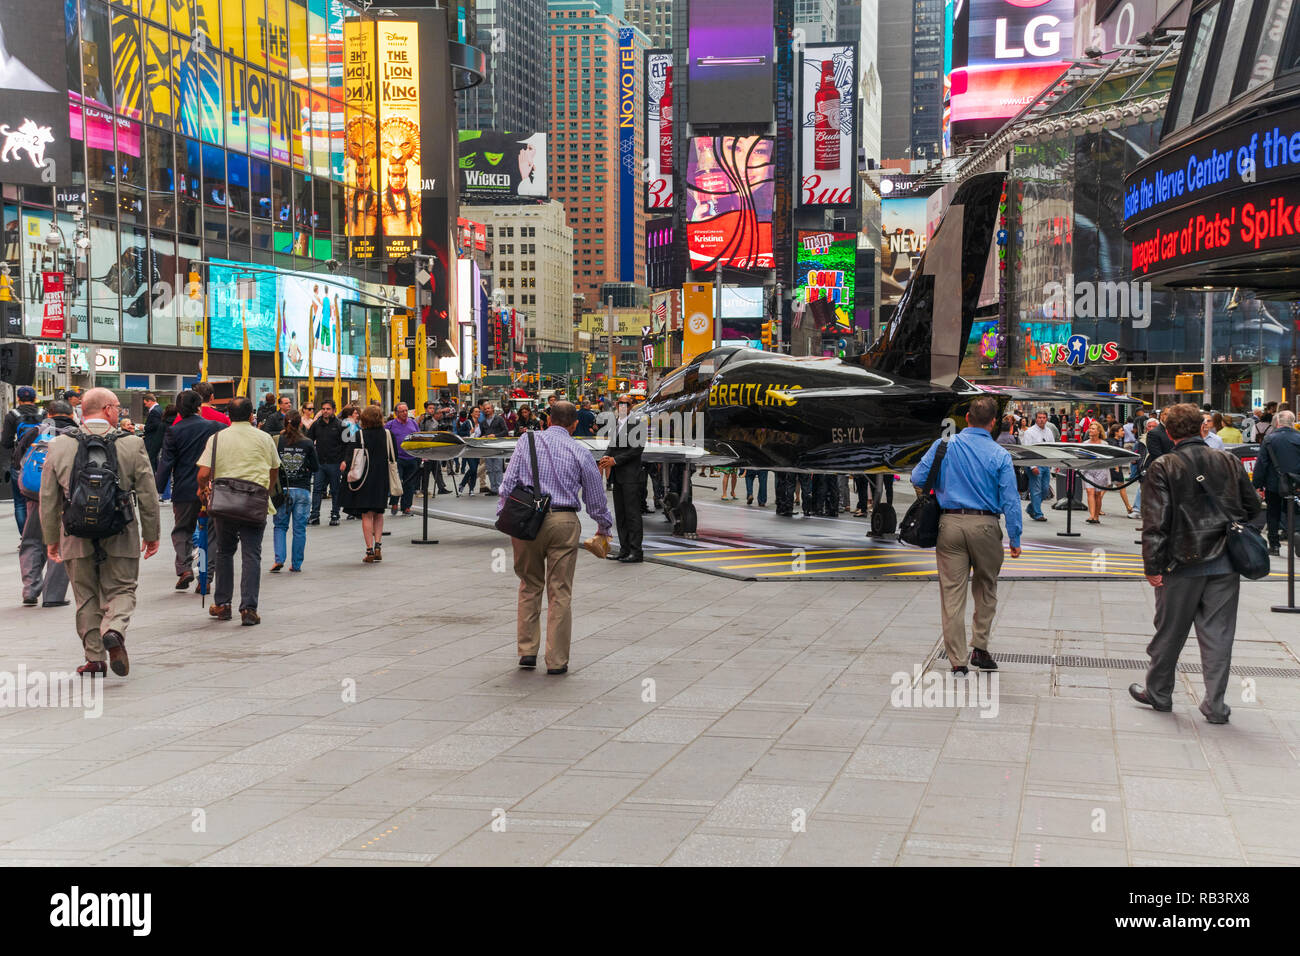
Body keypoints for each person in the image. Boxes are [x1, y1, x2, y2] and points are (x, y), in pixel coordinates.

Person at [1131, 403, 1262, 724]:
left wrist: (1153, 566)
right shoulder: (1228, 461)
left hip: (1180, 564)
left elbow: (1155, 523)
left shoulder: (1163, 465)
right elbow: (1254, 507)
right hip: (1224, 563)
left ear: (1170, 432)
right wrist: (1236, 536)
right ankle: (1215, 705)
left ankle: (1159, 693)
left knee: (1169, 632)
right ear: (1202, 428)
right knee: (1219, 636)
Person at [40, 388, 161, 676]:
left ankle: (94, 659)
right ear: (107, 409)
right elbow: (147, 493)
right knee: (122, 588)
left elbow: (48, 497)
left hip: (75, 531)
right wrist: (151, 533)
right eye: (118, 407)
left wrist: (51, 540)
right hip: (121, 529)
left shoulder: (58, 445)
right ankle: (115, 630)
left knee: (85, 595)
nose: (119, 412)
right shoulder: (132, 444)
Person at [498, 401, 614, 675]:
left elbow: (507, 483)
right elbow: (595, 498)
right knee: (560, 591)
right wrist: (603, 528)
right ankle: (556, 660)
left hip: (527, 519)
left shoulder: (526, 442)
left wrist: (505, 516)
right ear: (574, 424)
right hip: (563, 521)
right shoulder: (580, 451)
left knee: (529, 584)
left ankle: (527, 651)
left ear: (548, 420)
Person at [910, 395, 1023, 674]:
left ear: (968, 419)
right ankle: (980, 649)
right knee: (986, 588)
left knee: (952, 594)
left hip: (949, 525)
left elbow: (917, 477)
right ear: (994, 422)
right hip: (985, 526)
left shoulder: (944, 445)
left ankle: (958, 661)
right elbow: (1011, 500)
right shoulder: (1000, 455)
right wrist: (1015, 537)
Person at [196, 396, 281, 626]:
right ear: (252, 415)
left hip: (225, 504)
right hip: (255, 503)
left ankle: (223, 604)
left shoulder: (216, 438)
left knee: (224, 552)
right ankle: (249, 608)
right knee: (252, 554)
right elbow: (274, 469)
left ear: (229, 416)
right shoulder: (264, 438)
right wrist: (267, 490)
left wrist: (202, 489)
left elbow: (203, 474)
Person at [155, 389, 224, 590]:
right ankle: (206, 577)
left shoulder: (174, 431)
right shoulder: (216, 427)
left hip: (184, 489)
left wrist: (158, 488)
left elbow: (166, 463)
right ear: (198, 407)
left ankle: (184, 568)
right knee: (211, 533)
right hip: (210, 488)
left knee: (182, 530)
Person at [15, 400, 76, 608]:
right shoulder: (78, 434)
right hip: (66, 498)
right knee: (61, 542)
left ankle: (30, 589)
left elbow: (18, 459)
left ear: (49, 414)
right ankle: (54, 595)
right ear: (71, 415)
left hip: (36, 495)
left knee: (32, 540)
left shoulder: (35, 431)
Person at [339, 405, 392, 562]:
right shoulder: (388, 434)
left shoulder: (359, 435)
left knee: (367, 514)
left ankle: (369, 551)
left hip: (365, 478)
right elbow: (393, 455)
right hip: (382, 478)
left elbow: (350, 458)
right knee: (379, 512)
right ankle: (378, 546)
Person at [597, 396, 645, 563]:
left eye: (626, 403)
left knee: (632, 515)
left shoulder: (637, 423)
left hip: (631, 475)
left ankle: (636, 551)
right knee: (621, 514)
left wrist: (615, 461)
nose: (623, 406)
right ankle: (624, 549)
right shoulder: (617, 422)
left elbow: (637, 449)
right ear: (617, 405)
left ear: (631, 406)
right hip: (618, 476)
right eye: (620, 403)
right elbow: (611, 445)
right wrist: (605, 458)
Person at [272, 411, 318, 573]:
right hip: (302, 489)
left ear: (284, 423)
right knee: (299, 529)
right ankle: (296, 564)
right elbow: (315, 467)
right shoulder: (307, 443)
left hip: (283, 490)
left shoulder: (278, 441)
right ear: (300, 424)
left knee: (280, 526)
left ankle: (279, 559)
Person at [1253, 409, 1300, 556]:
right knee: (1295, 512)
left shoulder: (1269, 439)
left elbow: (1262, 464)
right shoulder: (1299, 438)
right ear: (1293, 423)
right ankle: (1297, 540)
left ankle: (1274, 545)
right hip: (1296, 483)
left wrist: (1258, 484)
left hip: (1274, 483)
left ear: (1277, 422)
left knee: (1273, 513)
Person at [2, 384, 45, 533]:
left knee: (20, 503)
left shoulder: (12, 415)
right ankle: (42, 534)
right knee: (43, 499)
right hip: (42, 461)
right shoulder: (44, 413)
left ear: (18, 399)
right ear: (35, 398)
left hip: (20, 462)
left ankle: (25, 537)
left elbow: (6, 443)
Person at [307, 400, 345, 525]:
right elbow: (308, 441)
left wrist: (345, 461)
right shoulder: (316, 424)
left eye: (328, 409)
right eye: (323, 409)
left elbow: (348, 445)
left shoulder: (341, 425)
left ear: (334, 410)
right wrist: (310, 460)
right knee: (317, 490)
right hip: (320, 464)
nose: (325, 411)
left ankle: (335, 514)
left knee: (335, 490)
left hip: (335, 463)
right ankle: (314, 515)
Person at [385, 402, 421, 515]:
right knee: (397, 482)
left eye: (406, 410)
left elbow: (419, 438)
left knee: (409, 484)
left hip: (411, 458)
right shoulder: (390, 425)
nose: (405, 413)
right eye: (402, 411)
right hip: (397, 459)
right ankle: (394, 503)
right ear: (396, 413)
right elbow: (384, 439)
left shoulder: (413, 423)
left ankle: (406, 507)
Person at [1020, 410, 1054, 522]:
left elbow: (1052, 448)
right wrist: (1032, 466)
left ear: (1047, 419)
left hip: (1045, 464)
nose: (1041, 419)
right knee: (1036, 490)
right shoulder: (1030, 432)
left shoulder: (1049, 431)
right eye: (1039, 417)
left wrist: (1053, 463)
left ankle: (1031, 508)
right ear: (1036, 419)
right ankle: (1038, 514)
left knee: (1045, 491)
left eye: (1044, 417)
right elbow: (1027, 450)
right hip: (1034, 463)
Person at [1081, 422, 1111, 524]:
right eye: (1090, 428)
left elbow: (1108, 458)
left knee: (1098, 494)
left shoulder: (1104, 444)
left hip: (1101, 470)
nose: (1091, 430)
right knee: (1090, 492)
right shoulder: (1085, 444)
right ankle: (1092, 515)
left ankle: (1096, 516)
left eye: (1093, 429)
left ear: (1099, 431)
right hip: (1088, 470)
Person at [1107, 423, 1137, 517]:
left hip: (1113, 467)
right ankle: (1128, 507)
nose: (1123, 432)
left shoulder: (1114, 440)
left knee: (1107, 487)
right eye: (1121, 430)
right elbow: (1113, 455)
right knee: (1121, 487)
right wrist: (1116, 467)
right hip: (1114, 467)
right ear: (1116, 432)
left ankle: (1128, 507)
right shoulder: (1114, 442)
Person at [479, 401, 508, 494]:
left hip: (497, 447)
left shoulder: (499, 419)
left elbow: (505, 431)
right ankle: (493, 489)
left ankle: (500, 489)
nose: (487, 410)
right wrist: (482, 436)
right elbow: (481, 433)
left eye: (488, 408)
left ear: (492, 409)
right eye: (485, 409)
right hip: (487, 448)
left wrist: (495, 435)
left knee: (498, 468)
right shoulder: (483, 422)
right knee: (490, 469)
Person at [456, 409, 480, 494]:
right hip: (469, 448)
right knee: (473, 469)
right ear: (471, 413)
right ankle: (462, 484)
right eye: (476, 412)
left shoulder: (481, 423)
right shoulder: (467, 422)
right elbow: (459, 432)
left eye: (479, 412)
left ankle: (471, 489)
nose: (478, 413)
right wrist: (469, 432)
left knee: (475, 470)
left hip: (478, 448)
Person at [141, 392, 164, 471]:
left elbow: (155, 425)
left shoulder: (154, 411)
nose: (145, 405)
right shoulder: (159, 409)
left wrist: (144, 427)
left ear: (150, 401)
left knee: (151, 459)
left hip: (152, 439)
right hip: (155, 438)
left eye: (146, 403)